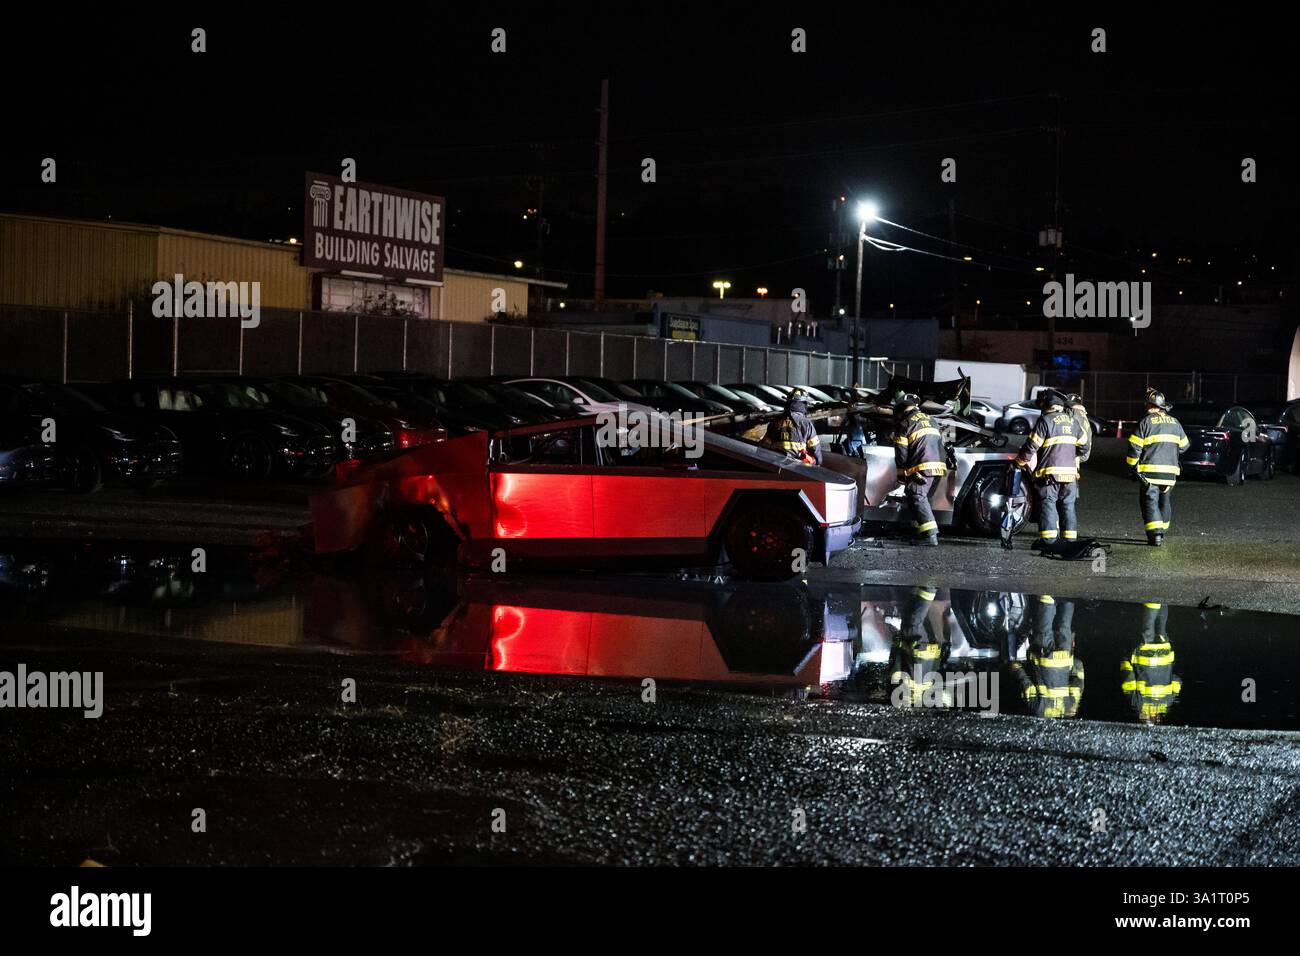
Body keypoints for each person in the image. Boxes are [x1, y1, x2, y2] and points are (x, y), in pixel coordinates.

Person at [1014, 389, 1085, 547]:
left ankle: (1050, 541)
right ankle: (1070, 540)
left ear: (1047, 406)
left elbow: (1031, 446)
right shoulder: (1073, 421)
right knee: (1068, 504)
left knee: (1048, 502)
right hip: (1071, 474)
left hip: (1050, 474)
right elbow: (1084, 446)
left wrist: (1019, 462)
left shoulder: (1045, 421)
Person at [1125, 388, 1189, 546]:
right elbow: (1184, 446)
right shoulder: (1175, 422)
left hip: (1150, 472)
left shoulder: (1146, 422)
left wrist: (1132, 465)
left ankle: (1156, 534)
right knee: (1165, 501)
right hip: (1170, 472)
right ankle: (1163, 529)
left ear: (1150, 405)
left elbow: (1135, 446)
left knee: (1149, 501)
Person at [1008, 594, 1085, 719]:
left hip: (1064, 659)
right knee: (1043, 630)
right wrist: (1016, 668)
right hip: (1044, 658)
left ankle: (1069, 597)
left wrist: (1074, 663)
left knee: (1064, 626)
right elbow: (1027, 687)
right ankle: (1047, 599)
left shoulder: (1069, 709)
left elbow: (1078, 684)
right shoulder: (1039, 711)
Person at [892, 391, 947, 546]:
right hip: (939, 466)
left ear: (900, 410)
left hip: (922, 466)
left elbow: (901, 454)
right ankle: (919, 532)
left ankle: (930, 536)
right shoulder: (931, 420)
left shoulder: (905, 423)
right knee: (921, 498)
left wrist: (901, 474)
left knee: (917, 496)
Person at [1121, 601, 1181, 723]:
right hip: (1146, 655)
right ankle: (1154, 597)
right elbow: (1128, 680)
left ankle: (1163, 598)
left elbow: (1177, 681)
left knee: (1161, 628)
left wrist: (1164, 672)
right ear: (1146, 717)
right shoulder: (1138, 704)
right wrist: (1125, 662)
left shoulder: (1167, 703)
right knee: (1148, 627)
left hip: (1164, 653)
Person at [759, 388, 822, 465]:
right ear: (803, 404)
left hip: (776, 469)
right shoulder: (806, 424)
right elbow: (817, 457)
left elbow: (762, 451)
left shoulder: (775, 422)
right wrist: (811, 460)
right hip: (798, 471)